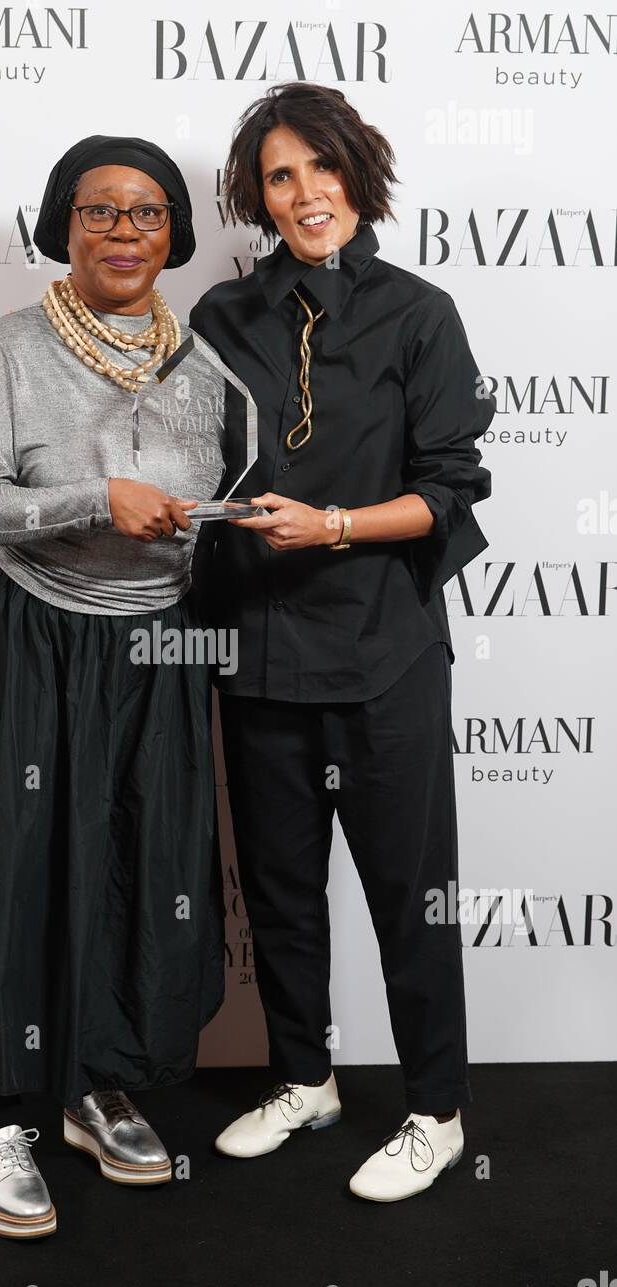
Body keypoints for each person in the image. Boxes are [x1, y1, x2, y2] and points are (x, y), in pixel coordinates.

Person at [0, 135, 227, 1238]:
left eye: (145, 213)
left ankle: (90, 1084)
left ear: (174, 228)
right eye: (98, 211)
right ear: (61, 224)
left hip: (156, 648)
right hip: (26, 635)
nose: (122, 232)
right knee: (19, 862)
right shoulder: (10, 345)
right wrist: (94, 497)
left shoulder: (208, 362)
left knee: (139, 861)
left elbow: (218, 497)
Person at [189, 82, 497, 1202]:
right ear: (254, 197)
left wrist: (329, 524)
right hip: (261, 648)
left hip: (384, 654)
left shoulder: (420, 313)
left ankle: (435, 1109)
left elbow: (448, 492)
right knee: (276, 888)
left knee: (410, 892)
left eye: (322, 169)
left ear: (358, 176)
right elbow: (203, 469)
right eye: (279, 176)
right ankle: (302, 1076)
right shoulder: (221, 320)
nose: (305, 193)